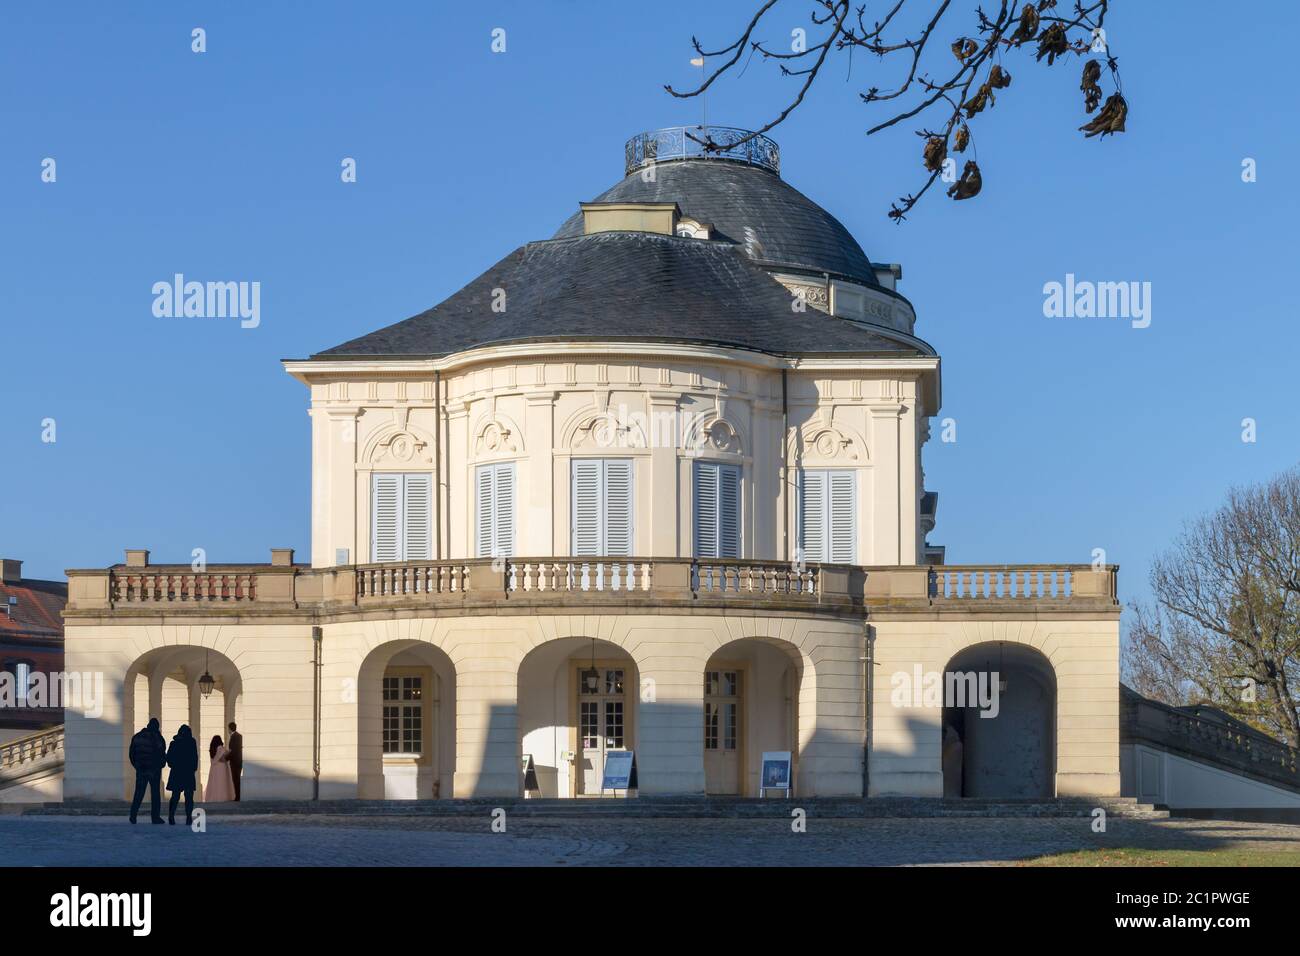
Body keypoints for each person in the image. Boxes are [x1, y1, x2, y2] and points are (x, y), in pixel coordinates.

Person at [128, 717, 167, 824]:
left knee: (139, 793)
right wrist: (161, 764)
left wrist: (137, 765)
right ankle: (155, 817)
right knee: (155, 794)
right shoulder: (157, 737)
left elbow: (131, 754)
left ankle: (133, 815)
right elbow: (161, 753)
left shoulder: (137, 737)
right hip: (154, 769)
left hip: (141, 769)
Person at [165, 724, 199, 825]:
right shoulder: (192, 743)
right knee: (189, 797)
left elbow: (169, 758)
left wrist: (174, 765)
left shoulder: (174, 743)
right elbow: (194, 757)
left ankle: (171, 816)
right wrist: (193, 768)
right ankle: (188, 817)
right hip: (188, 773)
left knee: (175, 796)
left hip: (177, 772)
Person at [204, 734, 236, 802]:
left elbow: (214, 759)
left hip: (214, 769)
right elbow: (223, 759)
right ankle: (222, 797)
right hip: (222, 768)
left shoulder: (212, 750)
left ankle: (214, 797)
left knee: (215, 783)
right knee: (222, 783)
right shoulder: (221, 748)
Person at [227, 721, 243, 801]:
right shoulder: (239, 736)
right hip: (239, 761)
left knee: (235, 779)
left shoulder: (234, 737)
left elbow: (233, 751)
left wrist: (226, 758)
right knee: (237, 779)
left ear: (229, 729)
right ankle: (238, 796)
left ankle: (237, 797)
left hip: (234, 762)